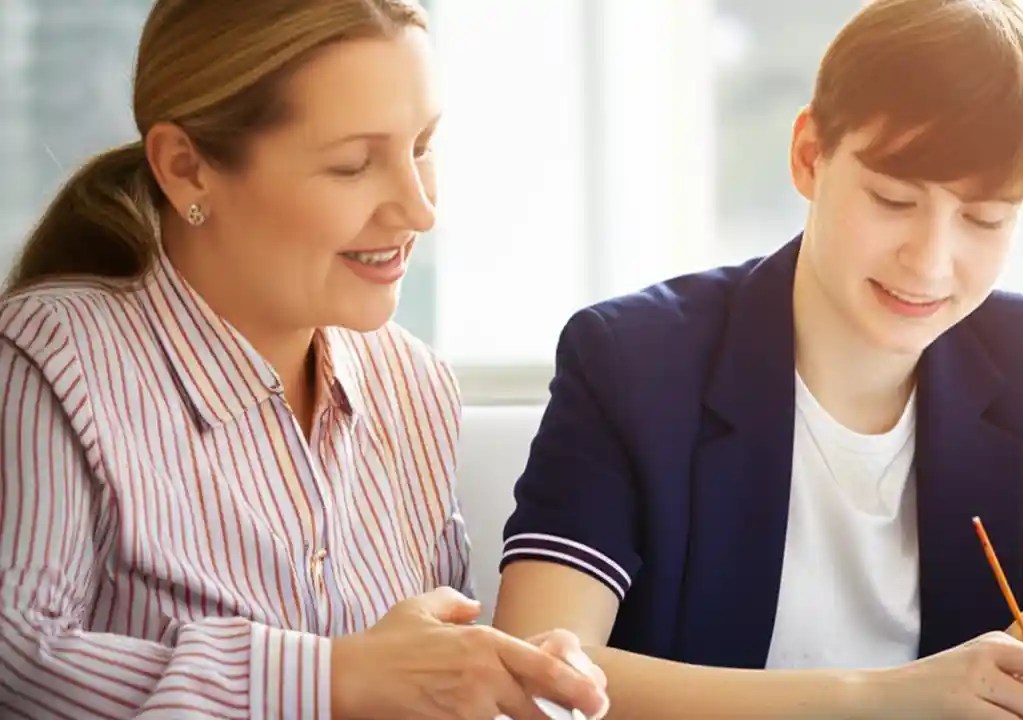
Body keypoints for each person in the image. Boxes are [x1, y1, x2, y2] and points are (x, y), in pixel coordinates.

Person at [491, 0, 1023, 718]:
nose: (930, 262)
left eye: (983, 219)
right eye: (894, 200)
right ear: (809, 156)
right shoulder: (635, 363)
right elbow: (536, 674)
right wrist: (883, 699)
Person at [0, 2, 609, 719]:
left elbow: (419, 661)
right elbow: (20, 659)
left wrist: (505, 672)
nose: (418, 210)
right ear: (186, 169)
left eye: (421, 146)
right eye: (352, 165)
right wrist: (328, 678)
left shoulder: (413, 386)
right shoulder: (54, 358)